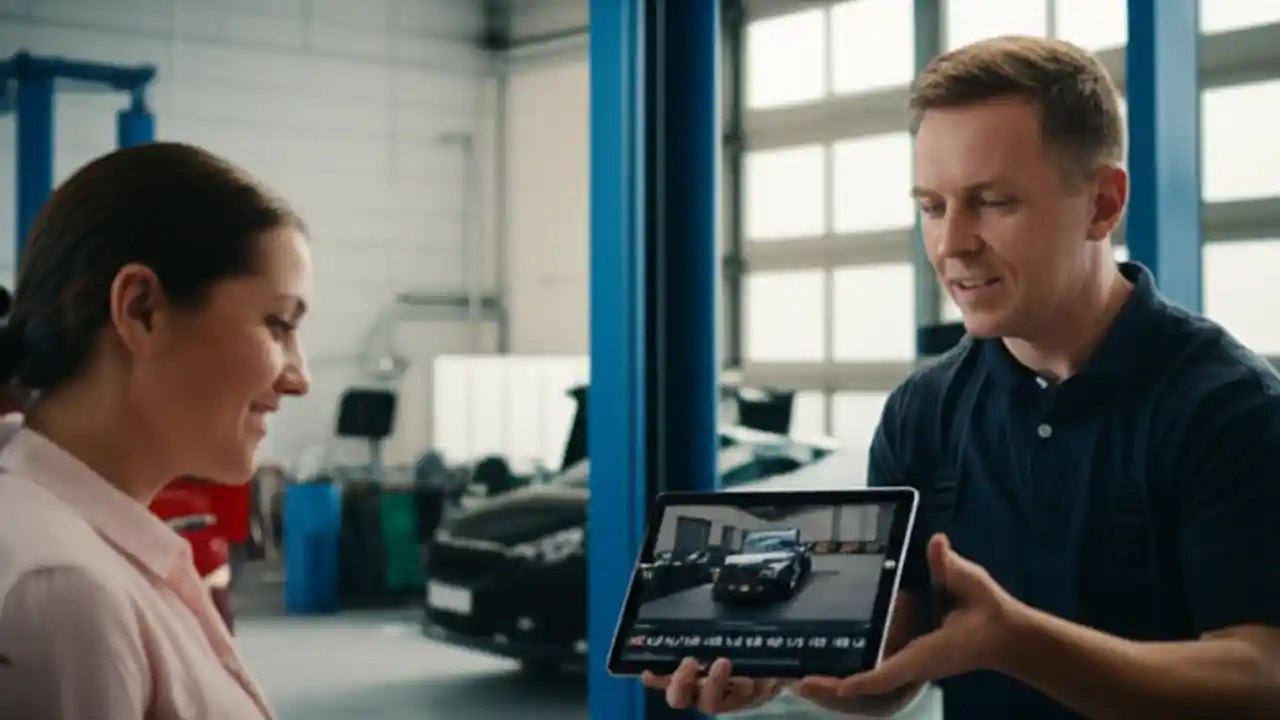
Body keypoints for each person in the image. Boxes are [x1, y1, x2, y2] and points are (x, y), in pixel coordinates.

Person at [643, 35, 1280, 719]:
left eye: (993, 201)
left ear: (1102, 204)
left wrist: (1019, 643)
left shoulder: (1229, 410)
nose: (951, 244)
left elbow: (1261, 676)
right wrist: (782, 661)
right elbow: (896, 668)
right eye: (933, 206)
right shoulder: (924, 411)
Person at [0, 142, 312, 719]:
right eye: (277, 324)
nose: (300, 379)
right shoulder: (67, 591)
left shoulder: (89, 551)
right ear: (141, 309)